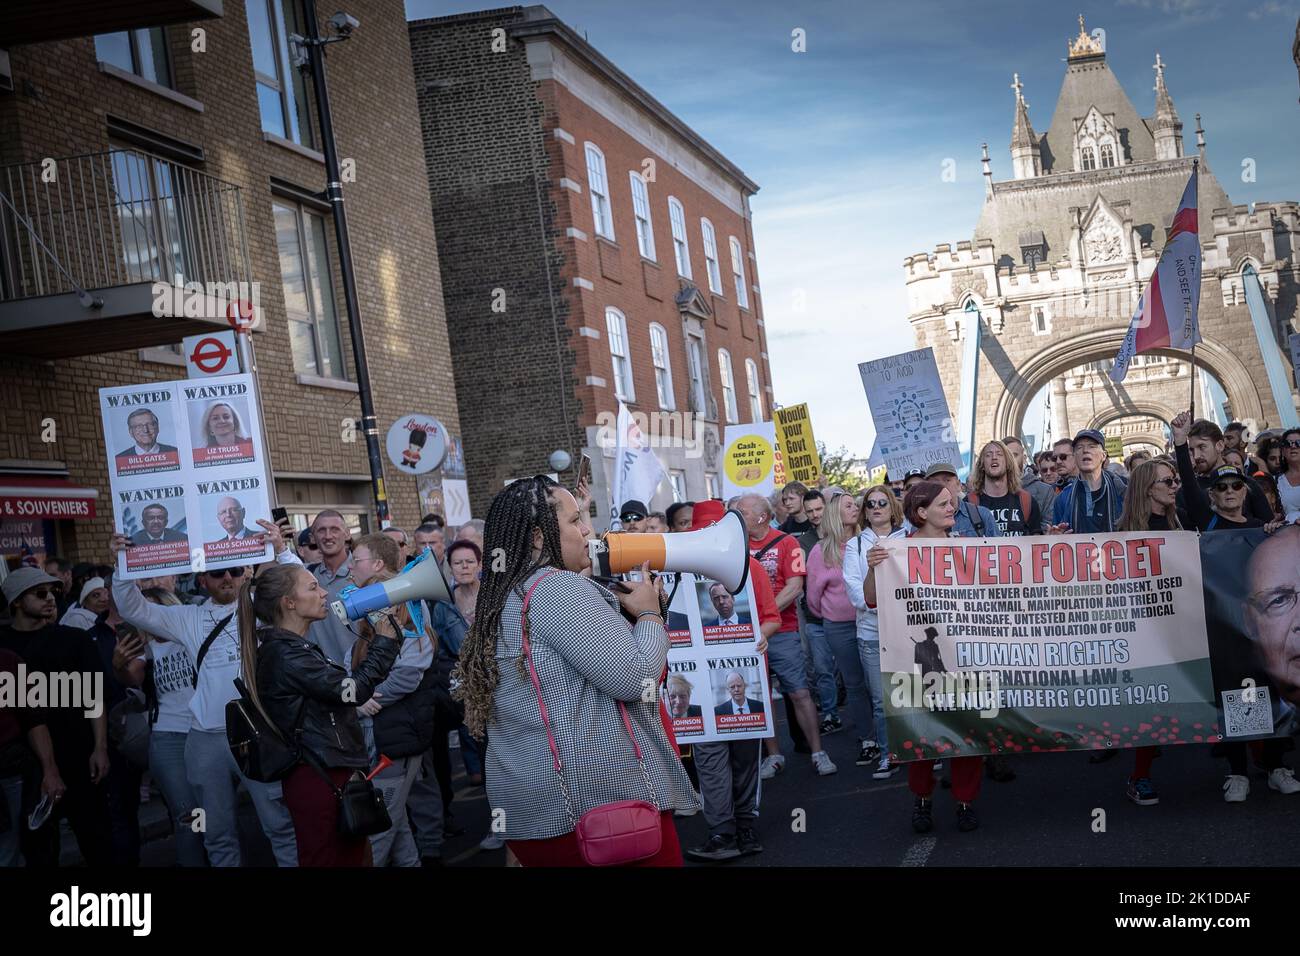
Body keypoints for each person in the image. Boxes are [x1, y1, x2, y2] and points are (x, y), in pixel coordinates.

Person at [454, 476, 697, 866]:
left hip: (536, 810)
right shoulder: (559, 589)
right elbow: (637, 681)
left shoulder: (505, 593)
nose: (588, 530)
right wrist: (650, 614)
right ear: (538, 536)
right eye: (574, 520)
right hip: (600, 806)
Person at [110, 523, 300, 867]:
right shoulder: (188, 617)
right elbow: (132, 609)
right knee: (216, 834)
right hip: (206, 739)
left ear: (247, 573)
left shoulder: (264, 606)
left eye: (234, 570)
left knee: (280, 827)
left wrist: (281, 549)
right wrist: (123, 564)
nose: (226, 577)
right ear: (203, 580)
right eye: (216, 572)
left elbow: (303, 590)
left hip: (258, 734)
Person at [238, 560, 401, 866]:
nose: (324, 593)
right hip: (318, 774)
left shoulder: (293, 649)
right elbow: (352, 690)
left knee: (350, 856)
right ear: (289, 603)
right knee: (328, 857)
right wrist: (385, 641)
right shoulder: (286, 655)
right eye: (313, 587)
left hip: (327, 770)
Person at [864, 481, 983, 833]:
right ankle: (922, 799)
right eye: (944, 504)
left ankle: (965, 801)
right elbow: (872, 600)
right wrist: (874, 568)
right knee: (920, 734)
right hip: (915, 662)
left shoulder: (965, 548)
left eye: (953, 502)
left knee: (968, 732)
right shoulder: (895, 551)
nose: (952, 508)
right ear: (921, 512)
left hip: (962, 658)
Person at [684, 498, 779, 863]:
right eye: (699, 533)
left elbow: (769, 616)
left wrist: (761, 635)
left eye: (712, 531)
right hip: (698, 682)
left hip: (745, 675)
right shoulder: (676, 573)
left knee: (744, 757)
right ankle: (721, 831)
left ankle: (746, 828)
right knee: (709, 758)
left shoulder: (749, 566)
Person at [0, 567, 110, 867]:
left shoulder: (74, 639)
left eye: (53, 592)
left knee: (97, 842)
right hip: (26, 766)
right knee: (39, 851)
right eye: (40, 594)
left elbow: (94, 697)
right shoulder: (3, 648)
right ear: (17, 602)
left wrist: (100, 747)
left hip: (79, 755)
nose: (50, 599)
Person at [346, 534, 436, 867]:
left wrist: (364, 697)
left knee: (381, 831)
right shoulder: (367, 618)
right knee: (396, 827)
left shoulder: (409, 614)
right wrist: (357, 698)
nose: (350, 567)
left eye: (355, 560)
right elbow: (349, 662)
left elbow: (408, 675)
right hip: (383, 736)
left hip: (396, 737)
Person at [736, 493, 836, 778]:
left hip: (782, 629)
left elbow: (794, 587)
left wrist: (761, 616)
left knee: (799, 692)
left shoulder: (788, 543)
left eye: (741, 512)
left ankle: (818, 752)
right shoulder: (733, 547)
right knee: (759, 696)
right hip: (746, 633)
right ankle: (774, 756)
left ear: (761, 517)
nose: (735, 518)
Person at [1108, 458, 1188, 804]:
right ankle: (1139, 776)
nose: (1174, 487)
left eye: (1175, 481)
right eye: (1167, 482)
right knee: (1150, 704)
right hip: (1146, 631)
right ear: (1147, 489)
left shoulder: (1181, 523)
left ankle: (1258, 765)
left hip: (1185, 624)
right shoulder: (1122, 535)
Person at [111, 587, 206, 867]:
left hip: (206, 735)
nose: (151, 619)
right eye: (145, 614)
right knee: (188, 816)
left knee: (214, 814)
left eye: (156, 611)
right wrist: (118, 667)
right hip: (168, 740)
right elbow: (131, 678)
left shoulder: (193, 637)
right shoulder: (147, 651)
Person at [808, 491, 880, 768]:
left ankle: (888, 737)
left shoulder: (868, 542)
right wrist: (832, 615)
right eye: (848, 505)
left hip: (873, 621)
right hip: (840, 627)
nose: (857, 508)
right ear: (835, 513)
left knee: (878, 682)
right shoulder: (820, 551)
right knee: (854, 684)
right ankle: (868, 739)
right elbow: (813, 598)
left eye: (855, 504)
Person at [843, 484, 906, 778]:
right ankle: (887, 753)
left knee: (914, 693)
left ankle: (923, 749)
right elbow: (857, 596)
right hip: (871, 635)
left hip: (909, 632)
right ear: (865, 512)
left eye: (883, 502)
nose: (877, 507)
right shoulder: (855, 546)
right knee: (882, 701)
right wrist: (885, 607)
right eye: (871, 504)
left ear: (892, 507)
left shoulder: (910, 539)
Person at [1, 645, 66, 867]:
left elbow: (34, 720)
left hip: (8, 771)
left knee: (7, 852)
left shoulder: (8, 661)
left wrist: (50, 771)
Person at [1185, 420, 1273, 523]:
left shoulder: (1249, 485)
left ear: (1220, 446)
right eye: (1191, 450)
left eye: (1202, 447)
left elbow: (1268, 528)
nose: (1196, 456)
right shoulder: (1186, 491)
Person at [303, 510, 357, 668]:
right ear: (313, 537)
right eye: (321, 530)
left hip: (364, 678)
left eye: (335, 529)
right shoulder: (305, 576)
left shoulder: (364, 574)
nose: (328, 536)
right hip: (321, 680)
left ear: (347, 534)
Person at [1052, 430, 1127, 533]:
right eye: (1079, 447)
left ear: (1103, 455)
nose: (1085, 450)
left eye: (1092, 446)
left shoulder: (1124, 490)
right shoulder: (1063, 498)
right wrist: (1055, 538)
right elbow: (1056, 540)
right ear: (1074, 456)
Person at [970, 439, 1043, 535]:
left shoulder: (1026, 501)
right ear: (982, 465)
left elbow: (1036, 543)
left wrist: (1052, 538)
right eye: (988, 455)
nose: (994, 457)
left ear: (1008, 463)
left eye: (999, 454)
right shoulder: (970, 503)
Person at [924, 462, 1001, 539]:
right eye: (935, 482)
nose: (941, 485)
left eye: (947, 480)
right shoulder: (921, 520)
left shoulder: (982, 515)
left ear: (958, 485)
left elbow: (999, 549)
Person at [1275, 427, 1300, 523]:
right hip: (1288, 533)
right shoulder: (1276, 481)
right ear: (1283, 451)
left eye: (1298, 443)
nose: (1293, 446)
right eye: (1288, 444)